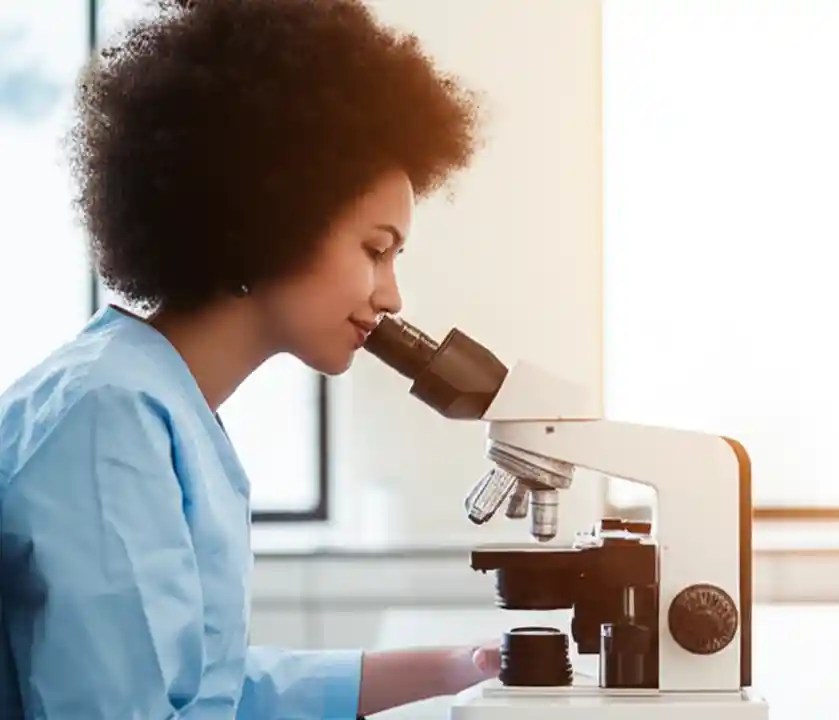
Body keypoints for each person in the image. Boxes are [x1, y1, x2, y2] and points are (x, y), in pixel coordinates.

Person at [0, 0, 501, 716]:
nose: (391, 297)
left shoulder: (152, 401)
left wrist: (459, 667)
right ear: (272, 215)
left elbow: (210, 690)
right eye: (376, 250)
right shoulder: (108, 420)